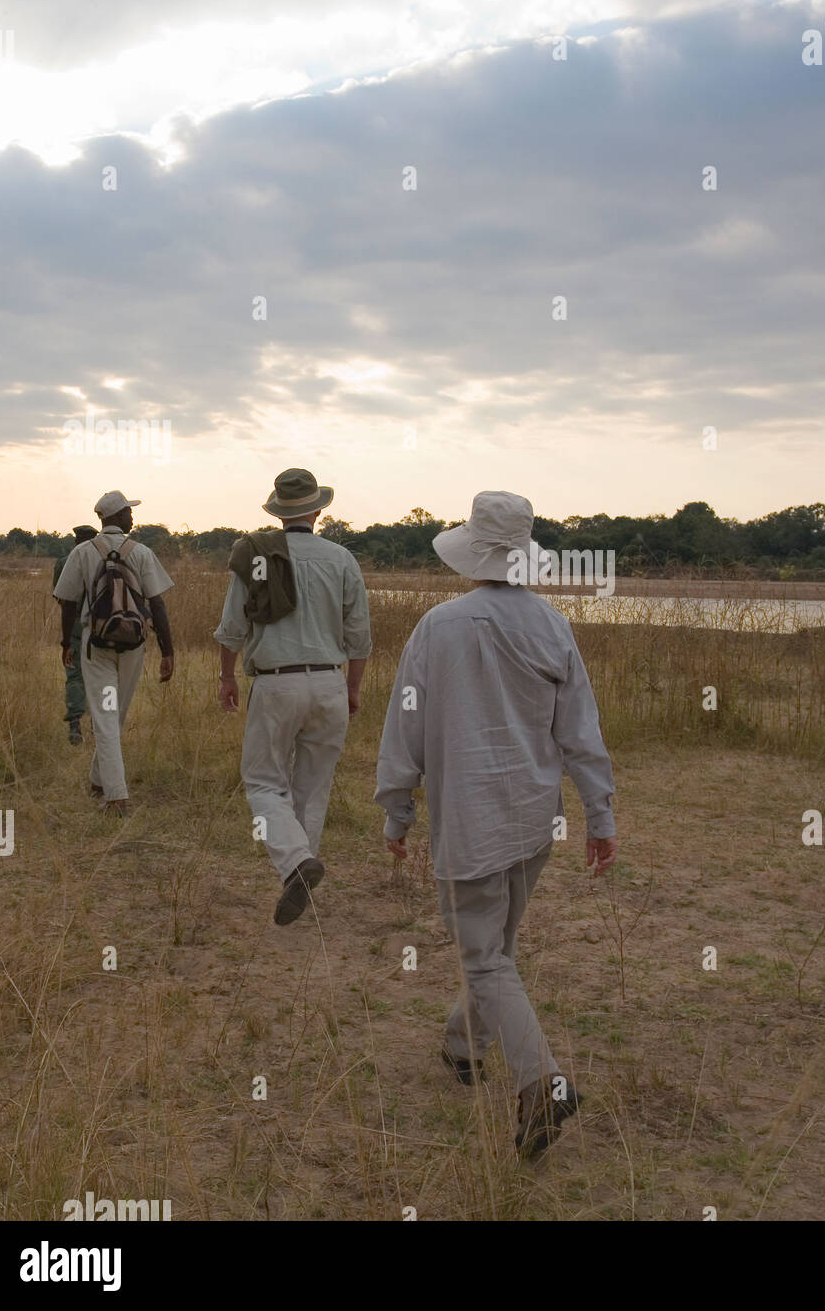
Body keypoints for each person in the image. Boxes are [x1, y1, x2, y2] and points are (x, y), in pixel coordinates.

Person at [374, 490, 618, 1159]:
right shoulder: (551, 627)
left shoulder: (438, 626)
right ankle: (463, 1048)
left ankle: (543, 1081)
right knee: (495, 950)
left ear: (474, 553)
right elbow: (581, 731)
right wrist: (599, 813)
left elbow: (406, 726)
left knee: (482, 956)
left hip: (471, 819)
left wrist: (396, 806)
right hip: (535, 820)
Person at [214, 468, 371, 926]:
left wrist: (227, 676)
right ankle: (301, 871)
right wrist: (353, 687)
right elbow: (359, 634)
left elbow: (232, 627)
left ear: (278, 511)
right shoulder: (342, 559)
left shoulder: (257, 555)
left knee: (263, 782)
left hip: (275, 681)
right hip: (329, 680)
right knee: (313, 786)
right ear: (319, 510)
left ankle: (295, 863)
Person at [52, 492, 175, 815]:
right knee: (114, 715)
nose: (132, 518)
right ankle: (115, 795)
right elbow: (157, 604)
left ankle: (101, 782)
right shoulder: (141, 552)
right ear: (116, 517)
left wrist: (67, 643)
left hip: (97, 647)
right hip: (133, 646)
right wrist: (167, 650)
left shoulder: (82, 552)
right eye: (128, 513)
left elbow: (68, 603)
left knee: (108, 716)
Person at [52, 524, 98, 744]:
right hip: (104, 629)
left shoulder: (64, 562)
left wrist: (65, 639)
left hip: (76, 628)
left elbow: (63, 601)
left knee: (74, 676)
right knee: (107, 678)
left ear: (76, 540)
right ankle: (104, 724)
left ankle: (74, 725)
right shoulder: (106, 558)